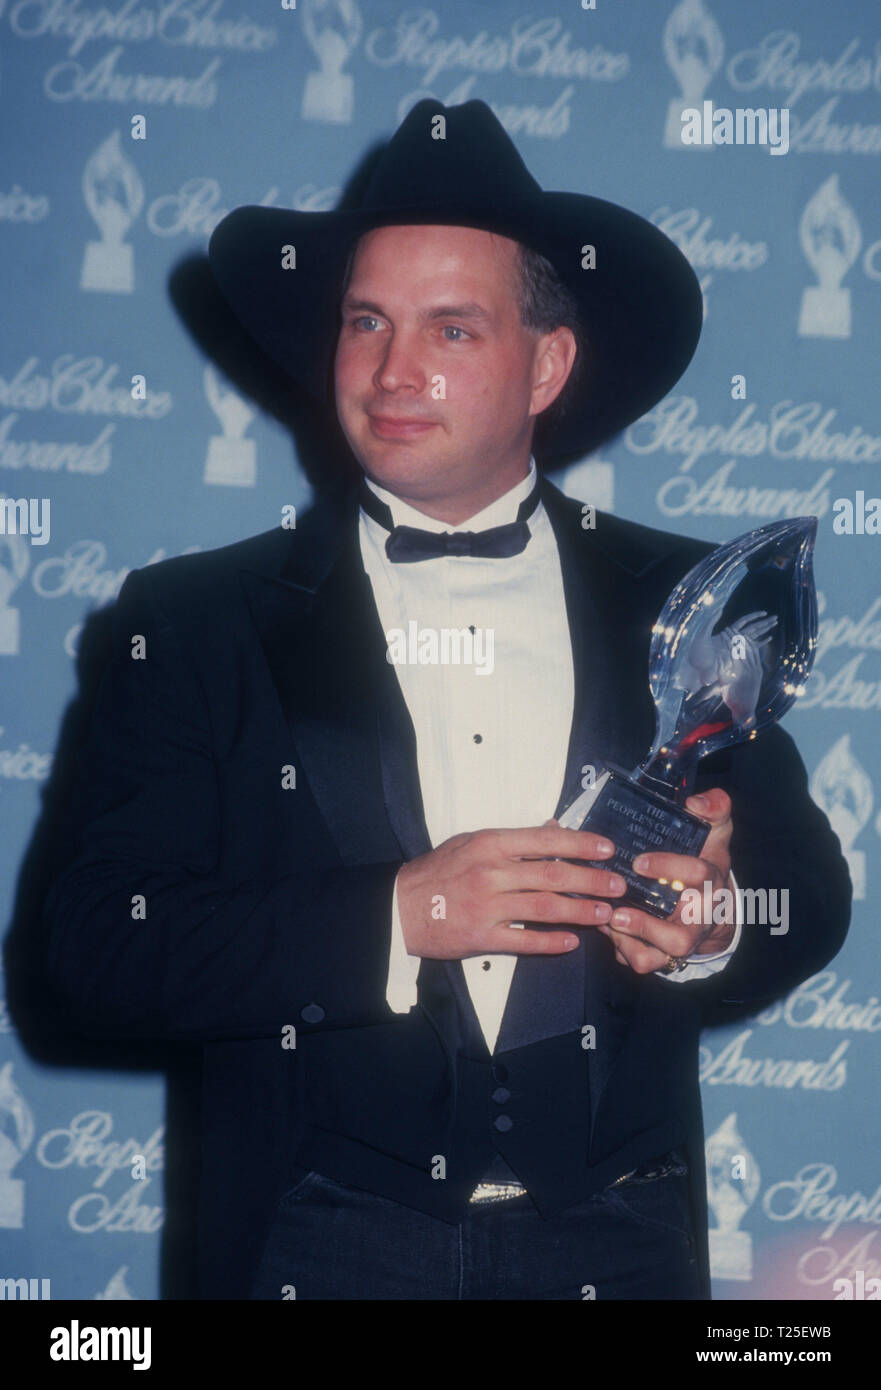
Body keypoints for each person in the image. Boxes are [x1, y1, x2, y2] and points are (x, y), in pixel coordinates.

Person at [44, 100, 851, 1301]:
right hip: (306, 1252)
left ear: (547, 364)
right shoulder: (188, 621)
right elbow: (88, 956)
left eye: (451, 328)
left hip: (618, 1251)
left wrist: (719, 919)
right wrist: (395, 915)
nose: (389, 368)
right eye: (365, 320)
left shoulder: (682, 600)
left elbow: (810, 899)